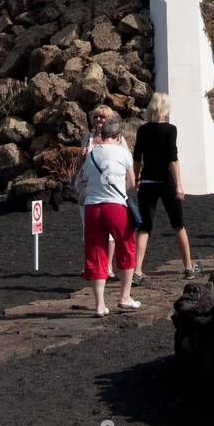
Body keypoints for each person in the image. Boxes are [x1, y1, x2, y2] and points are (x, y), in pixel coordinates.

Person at [132, 92, 201, 284]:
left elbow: (137, 157)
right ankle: (188, 266)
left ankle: (137, 270)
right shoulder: (171, 130)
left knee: (145, 226)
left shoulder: (142, 130)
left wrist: (136, 179)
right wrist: (179, 184)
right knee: (178, 224)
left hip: (147, 182)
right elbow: (173, 159)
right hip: (166, 182)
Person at [81, 117, 140, 315]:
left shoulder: (90, 154)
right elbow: (132, 183)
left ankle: (99, 305)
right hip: (115, 206)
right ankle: (125, 296)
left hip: (92, 207)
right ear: (118, 136)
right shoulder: (123, 153)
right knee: (126, 246)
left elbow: (82, 180)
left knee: (96, 251)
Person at [76, 105, 120, 276]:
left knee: (109, 230)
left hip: (108, 188)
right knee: (88, 228)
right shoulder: (88, 139)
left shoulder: (117, 139)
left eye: (103, 117)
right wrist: (81, 156)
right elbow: (81, 165)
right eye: (96, 117)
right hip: (88, 188)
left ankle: (108, 266)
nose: (99, 120)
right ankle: (92, 264)